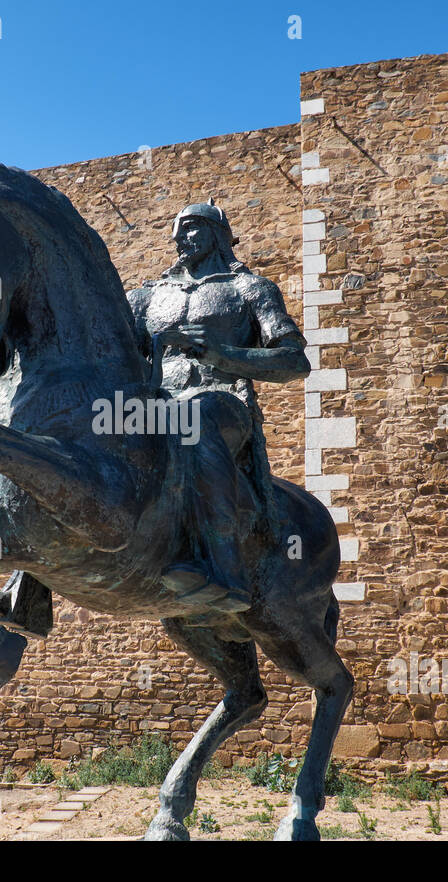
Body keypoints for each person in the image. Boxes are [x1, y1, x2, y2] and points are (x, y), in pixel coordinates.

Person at [127, 200, 310, 612]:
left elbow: (294, 363)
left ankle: (225, 568)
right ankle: (28, 584)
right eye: (178, 230)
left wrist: (220, 355)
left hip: (223, 401)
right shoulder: (146, 298)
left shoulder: (251, 289)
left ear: (217, 235)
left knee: (196, 416)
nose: (181, 238)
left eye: (192, 228)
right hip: (155, 404)